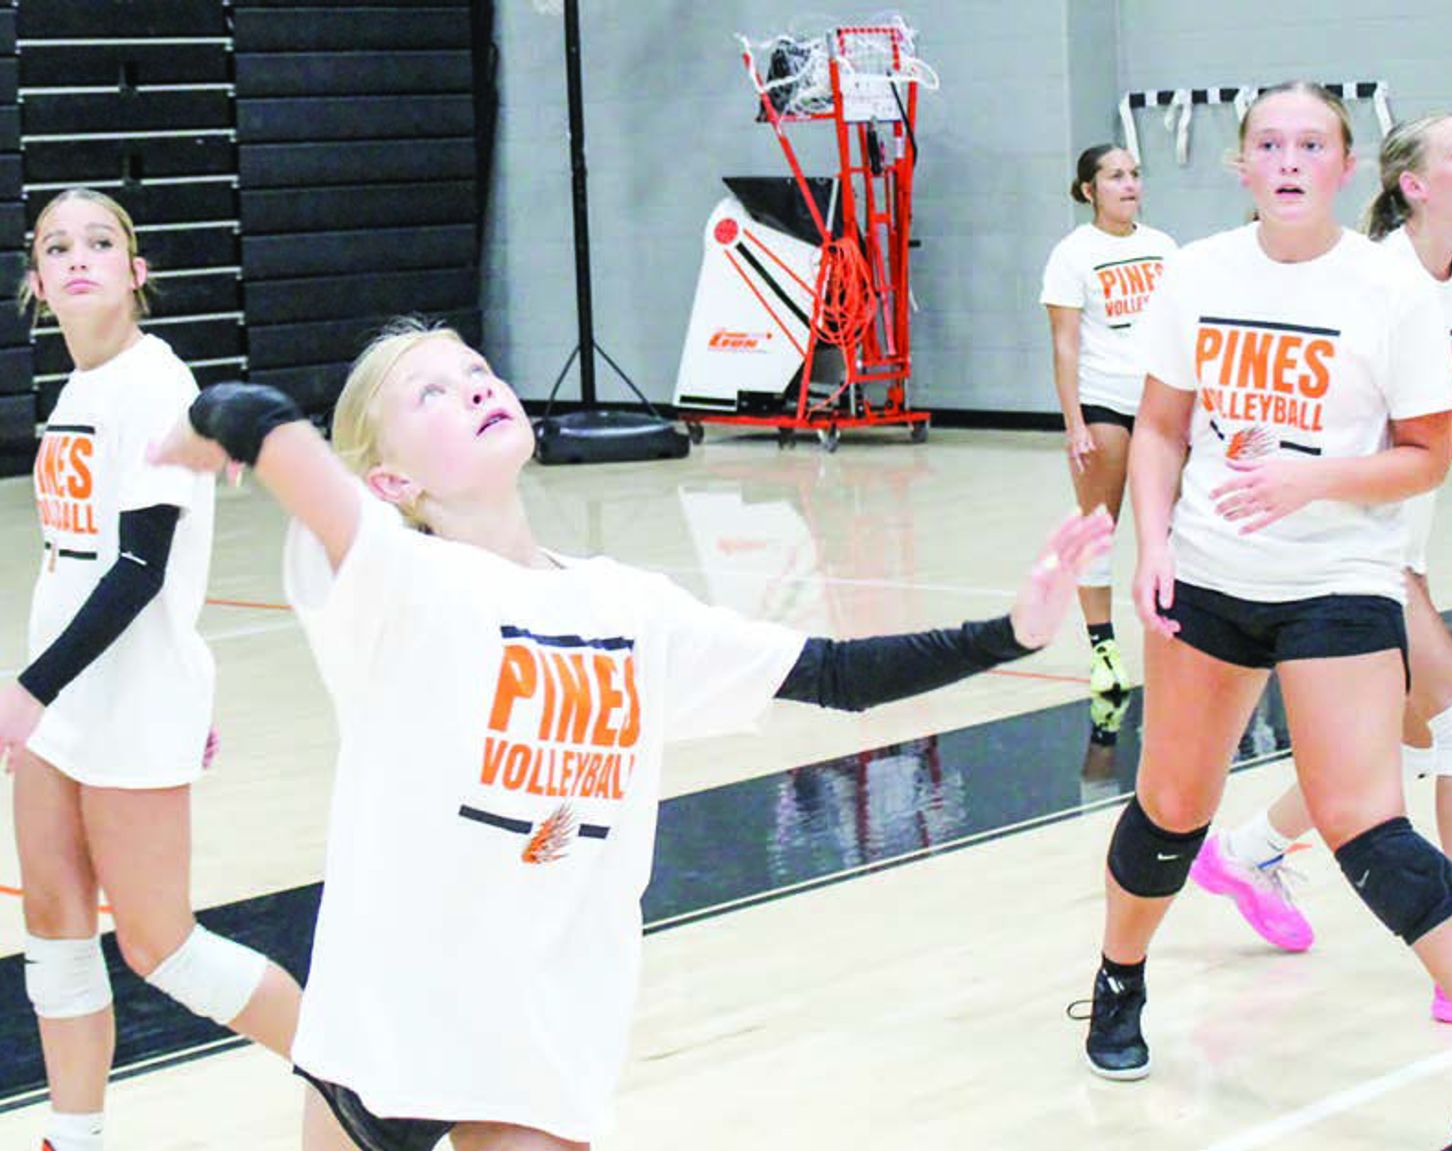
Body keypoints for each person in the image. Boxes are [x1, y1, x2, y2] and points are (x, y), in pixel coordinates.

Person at [148, 316, 1113, 1151]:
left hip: (542, 1027)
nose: (474, 385)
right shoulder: (390, 582)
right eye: (431, 392)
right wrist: (224, 421)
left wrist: (1013, 632)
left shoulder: (630, 607)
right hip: (388, 1016)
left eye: (476, 369)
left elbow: (833, 675)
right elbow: (274, 435)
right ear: (391, 475)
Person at [1073, 83, 1452, 1149]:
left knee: (1366, 819)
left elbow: (1425, 454)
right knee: (1172, 808)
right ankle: (1118, 975)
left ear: (1341, 167)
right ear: (1242, 167)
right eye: (1269, 143)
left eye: (1310, 143)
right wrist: (1153, 541)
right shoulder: (1197, 273)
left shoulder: (1390, 291)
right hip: (1210, 579)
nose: (1288, 159)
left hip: (1340, 584)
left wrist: (1311, 480)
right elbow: (1159, 425)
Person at [1191, 114, 1452, 1026]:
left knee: (1397, 749)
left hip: (1396, 541)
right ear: (1415, 184)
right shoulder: (1372, 279)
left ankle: (1248, 851)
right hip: (1344, 546)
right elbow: (1448, 438)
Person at [0, 188, 302, 1151]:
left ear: (136, 273)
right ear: (37, 284)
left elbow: (141, 569)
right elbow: (75, 562)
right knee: (51, 926)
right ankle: (74, 1137)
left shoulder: (155, 384)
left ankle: (364, 1072)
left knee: (159, 945)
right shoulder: (79, 394)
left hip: (112, 699)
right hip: (65, 699)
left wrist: (27, 690)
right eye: (56, 246)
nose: (76, 256)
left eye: (100, 242)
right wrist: (43, 693)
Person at [1040, 144, 1178, 695]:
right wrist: (1074, 422)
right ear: (1088, 190)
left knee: (1176, 526)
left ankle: (1179, 638)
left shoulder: (1163, 247)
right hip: (1104, 402)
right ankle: (1103, 650)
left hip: (1161, 401)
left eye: (1135, 175)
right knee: (1099, 526)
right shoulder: (1072, 255)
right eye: (1115, 176)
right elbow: (1065, 345)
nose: (1129, 185)